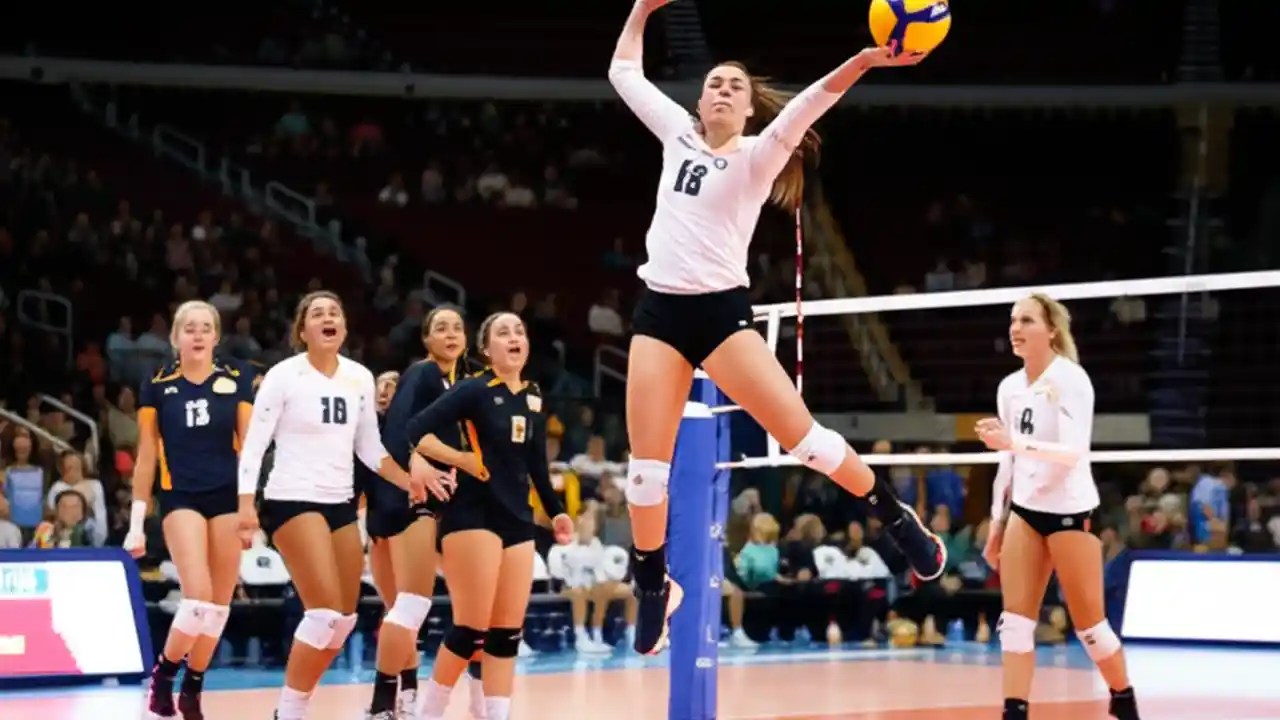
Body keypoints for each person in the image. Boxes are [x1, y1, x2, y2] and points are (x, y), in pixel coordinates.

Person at [608, 0, 946, 654]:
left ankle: (894, 517)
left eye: (736, 85)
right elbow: (625, 72)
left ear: (749, 108)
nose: (724, 89)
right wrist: (642, 9)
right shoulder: (676, 134)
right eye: (714, 83)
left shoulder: (759, 155)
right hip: (660, 310)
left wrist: (871, 58)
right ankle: (654, 584)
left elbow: (813, 102)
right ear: (701, 102)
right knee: (645, 473)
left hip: (720, 313)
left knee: (807, 441)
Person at [235, 291, 446, 720]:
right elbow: (254, 445)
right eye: (317, 313)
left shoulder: (359, 378)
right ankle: (290, 711)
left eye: (335, 312)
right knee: (325, 611)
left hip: (340, 503)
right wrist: (244, 504)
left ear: (344, 328)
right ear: (302, 330)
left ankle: (293, 705)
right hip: (291, 498)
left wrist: (411, 483)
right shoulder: (283, 375)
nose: (328, 318)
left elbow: (371, 449)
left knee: (343, 620)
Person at [977, 294, 1140, 720]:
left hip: (1070, 511)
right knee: (1014, 623)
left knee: (1091, 630)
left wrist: (1012, 441)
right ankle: (1015, 712)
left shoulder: (1072, 379)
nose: (1015, 328)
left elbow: (1071, 453)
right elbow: (1006, 462)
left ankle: (1123, 698)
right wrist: (997, 522)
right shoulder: (1009, 387)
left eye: (1026, 320)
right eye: (1012, 320)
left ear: (1051, 330)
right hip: (1025, 513)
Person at [405, 311, 574, 720]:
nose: (514, 337)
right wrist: (458, 459)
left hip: (517, 519)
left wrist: (556, 514)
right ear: (486, 349)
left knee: (506, 632)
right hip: (472, 514)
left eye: (520, 330)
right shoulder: (474, 390)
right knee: (470, 629)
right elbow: (416, 429)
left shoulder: (533, 394)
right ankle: (429, 713)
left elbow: (536, 466)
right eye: (503, 332)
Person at [124, 300, 253, 720]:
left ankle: (193, 687)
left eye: (205, 328)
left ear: (216, 336)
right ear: (175, 337)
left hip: (228, 498)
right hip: (179, 496)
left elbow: (250, 450)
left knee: (219, 606)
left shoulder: (237, 378)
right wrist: (136, 524)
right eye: (189, 328)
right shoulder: (157, 384)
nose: (197, 335)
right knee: (197, 599)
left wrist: (252, 508)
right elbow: (146, 457)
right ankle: (164, 674)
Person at [364, 307, 470, 720]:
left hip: (397, 500)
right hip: (409, 496)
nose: (450, 334)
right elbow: (399, 428)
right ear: (426, 339)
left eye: (457, 328)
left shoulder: (451, 382)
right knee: (412, 605)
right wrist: (415, 465)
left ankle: (404, 698)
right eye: (440, 328)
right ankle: (379, 704)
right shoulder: (424, 373)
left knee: (401, 612)